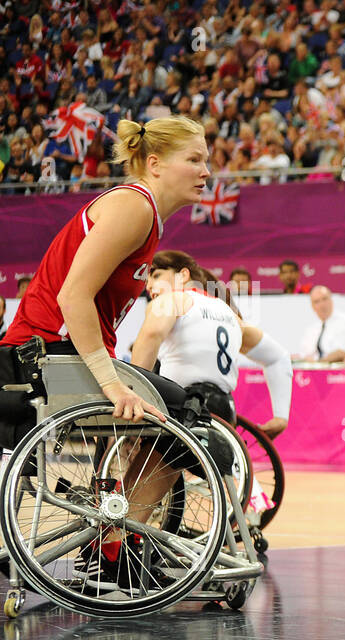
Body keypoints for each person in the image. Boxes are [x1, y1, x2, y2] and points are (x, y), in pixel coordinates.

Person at [0, 116, 214, 587]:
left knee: (168, 412)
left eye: (207, 160)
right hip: (42, 355)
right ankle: (120, 547)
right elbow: (71, 297)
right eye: (194, 159)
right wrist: (112, 382)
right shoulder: (132, 207)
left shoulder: (146, 216)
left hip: (58, 352)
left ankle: (113, 541)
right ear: (154, 164)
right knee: (187, 415)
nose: (206, 171)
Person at [134, 250, 292, 438]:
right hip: (224, 409)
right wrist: (281, 417)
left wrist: (134, 393)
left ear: (183, 275)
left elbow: (151, 335)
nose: (150, 286)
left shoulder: (171, 300)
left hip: (181, 406)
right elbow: (278, 358)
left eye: (156, 275)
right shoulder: (232, 316)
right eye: (147, 281)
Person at [296, 285, 345, 362]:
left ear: (331, 300)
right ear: (312, 306)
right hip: (314, 370)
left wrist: (319, 363)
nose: (322, 304)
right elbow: (304, 354)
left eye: (324, 299)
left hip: (340, 371)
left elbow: (343, 353)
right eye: (317, 301)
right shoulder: (312, 329)